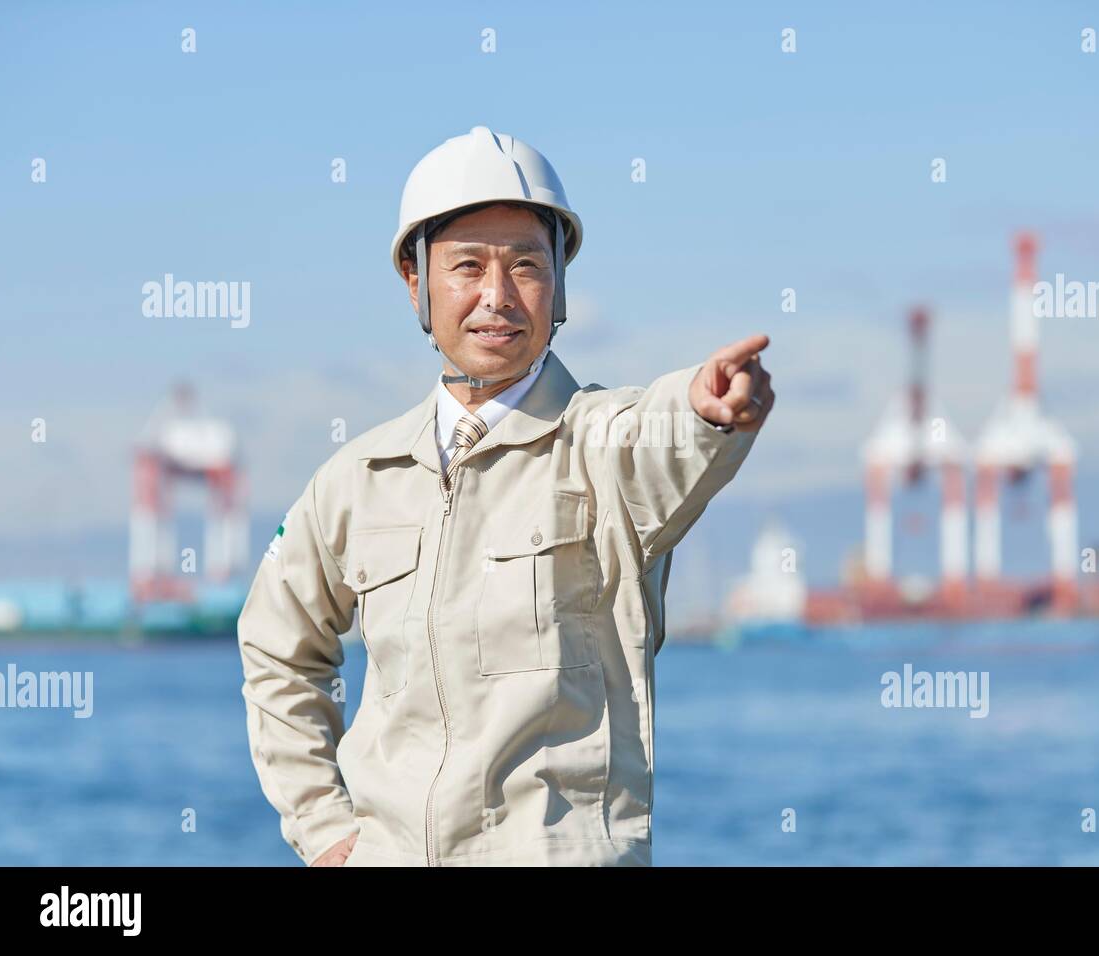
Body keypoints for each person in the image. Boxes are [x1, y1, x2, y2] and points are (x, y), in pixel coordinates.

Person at [236, 126, 774, 866]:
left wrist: (708, 409)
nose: (498, 296)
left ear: (559, 283)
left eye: (526, 265)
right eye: (467, 266)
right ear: (413, 279)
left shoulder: (599, 446)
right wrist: (325, 830)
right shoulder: (359, 478)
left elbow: (664, 435)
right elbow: (277, 649)